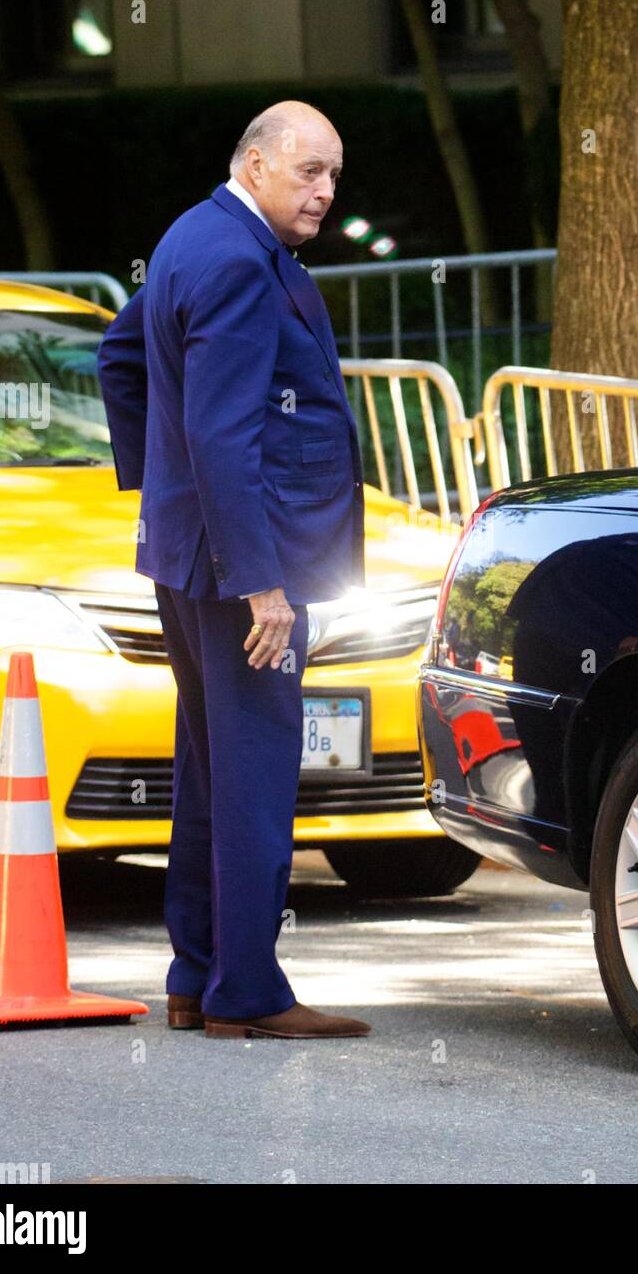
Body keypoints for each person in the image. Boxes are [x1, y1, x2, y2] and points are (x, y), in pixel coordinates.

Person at [97, 101, 371, 1040]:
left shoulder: (191, 235)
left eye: (335, 175)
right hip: (241, 573)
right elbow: (220, 431)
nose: (326, 191)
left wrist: (159, 490)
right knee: (253, 774)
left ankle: (197, 976)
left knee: (211, 773)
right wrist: (262, 584)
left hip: (189, 556)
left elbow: (120, 355)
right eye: (309, 172)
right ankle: (244, 993)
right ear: (255, 165)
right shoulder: (238, 262)